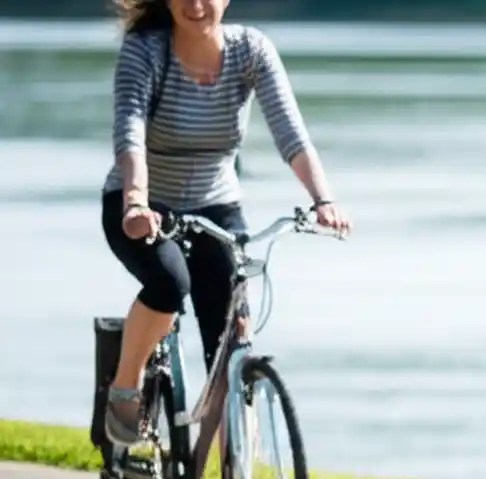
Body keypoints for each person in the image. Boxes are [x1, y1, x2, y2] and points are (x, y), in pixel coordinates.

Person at [100, 0, 350, 447]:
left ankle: (222, 472)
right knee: (169, 284)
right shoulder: (147, 50)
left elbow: (291, 134)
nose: (196, 5)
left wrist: (322, 199)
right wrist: (136, 202)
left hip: (216, 206)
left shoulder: (250, 51)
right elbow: (130, 132)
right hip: (143, 204)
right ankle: (126, 382)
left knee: (231, 345)